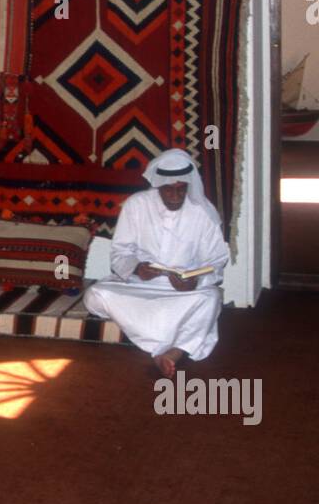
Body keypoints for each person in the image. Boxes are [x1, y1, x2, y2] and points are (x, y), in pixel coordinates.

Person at [84, 149, 229, 378]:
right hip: (139, 285)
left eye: (181, 189)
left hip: (182, 292)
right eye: (169, 190)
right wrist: (136, 268)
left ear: (188, 186)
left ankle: (173, 352)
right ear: (158, 186)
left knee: (211, 298)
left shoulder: (202, 212)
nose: (175, 196)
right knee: (95, 295)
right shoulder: (136, 205)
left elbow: (216, 261)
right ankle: (170, 342)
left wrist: (195, 280)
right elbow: (120, 252)